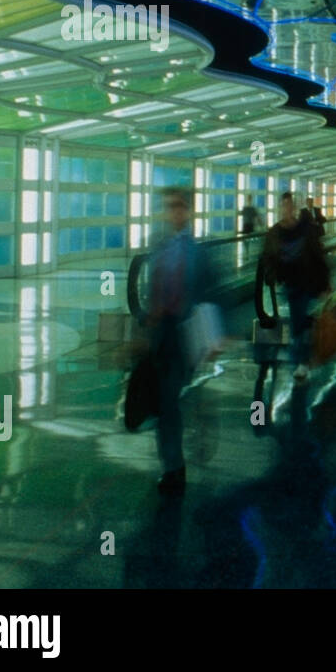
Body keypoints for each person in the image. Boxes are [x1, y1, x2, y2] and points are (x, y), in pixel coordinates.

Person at [145, 187, 220, 494]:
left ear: (187, 211)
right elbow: (152, 290)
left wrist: (215, 337)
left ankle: (174, 463)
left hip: (185, 333)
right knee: (166, 400)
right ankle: (172, 464)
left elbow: (211, 291)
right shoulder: (159, 248)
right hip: (162, 332)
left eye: (178, 207)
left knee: (170, 398)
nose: (173, 212)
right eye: (168, 207)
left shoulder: (197, 252)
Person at [261, 192, 330, 384]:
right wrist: (271, 276)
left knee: (298, 321)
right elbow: (267, 256)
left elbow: (318, 254)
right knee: (298, 320)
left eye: (289, 205)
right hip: (289, 282)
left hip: (308, 280)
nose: (286, 209)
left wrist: (325, 283)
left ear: (294, 208)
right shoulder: (275, 232)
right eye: (283, 205)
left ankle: (301, 360)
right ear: (280, 208)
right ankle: (302, 358)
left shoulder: (305, 229)